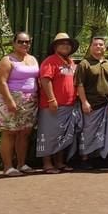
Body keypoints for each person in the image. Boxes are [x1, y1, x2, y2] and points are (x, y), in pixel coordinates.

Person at [0, 32, 40, 176]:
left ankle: (21, 163)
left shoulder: (32, 59)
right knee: (9, 132)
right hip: (11, 99)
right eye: (20, 41)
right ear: (14, 43)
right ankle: (8, 166)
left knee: (24, 132)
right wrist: (10, 101)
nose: (24, 44)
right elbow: (2, 82)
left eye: (27, 42)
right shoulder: (7, 60)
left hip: (30, 100)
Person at [36, 33, 80, 174]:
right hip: (52, 105)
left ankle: (59, 162)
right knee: (48, 134)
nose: (65, 45)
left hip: (69, 105)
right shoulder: (50, 61)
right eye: (61, 43)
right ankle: (47, 164)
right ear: (55, 46)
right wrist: (51, 99)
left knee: (61, 135)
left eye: (68, 43)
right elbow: (45, 80)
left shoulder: (71, 62)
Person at [74, 36, 108, 168]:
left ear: (105, 48)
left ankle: (101, 157)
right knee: (88, 132)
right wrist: (84, 102)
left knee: (104, 133)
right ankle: (85, 158)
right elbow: (79, 85)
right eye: (95, 44)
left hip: (106, 104)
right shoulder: (84, 64)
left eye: (101, 45)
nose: (98, 47)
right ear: (90, 47)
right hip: (92, 104)